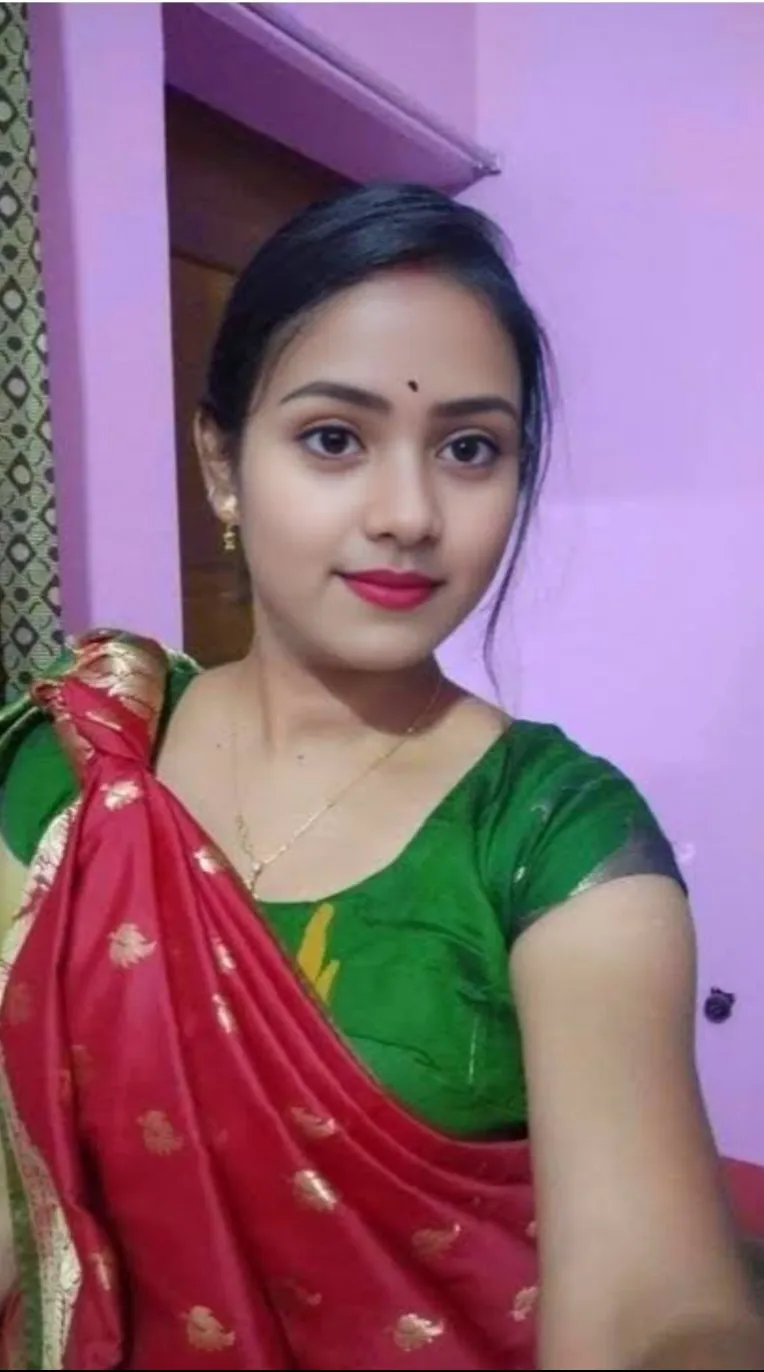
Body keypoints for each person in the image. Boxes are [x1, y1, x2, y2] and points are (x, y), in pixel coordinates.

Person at [0, 183, 760, 1372]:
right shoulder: (74, 770)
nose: (408, 514)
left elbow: (647, 1311)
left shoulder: (550, 837)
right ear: (221, 465)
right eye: (333, 439)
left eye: (468, 449)